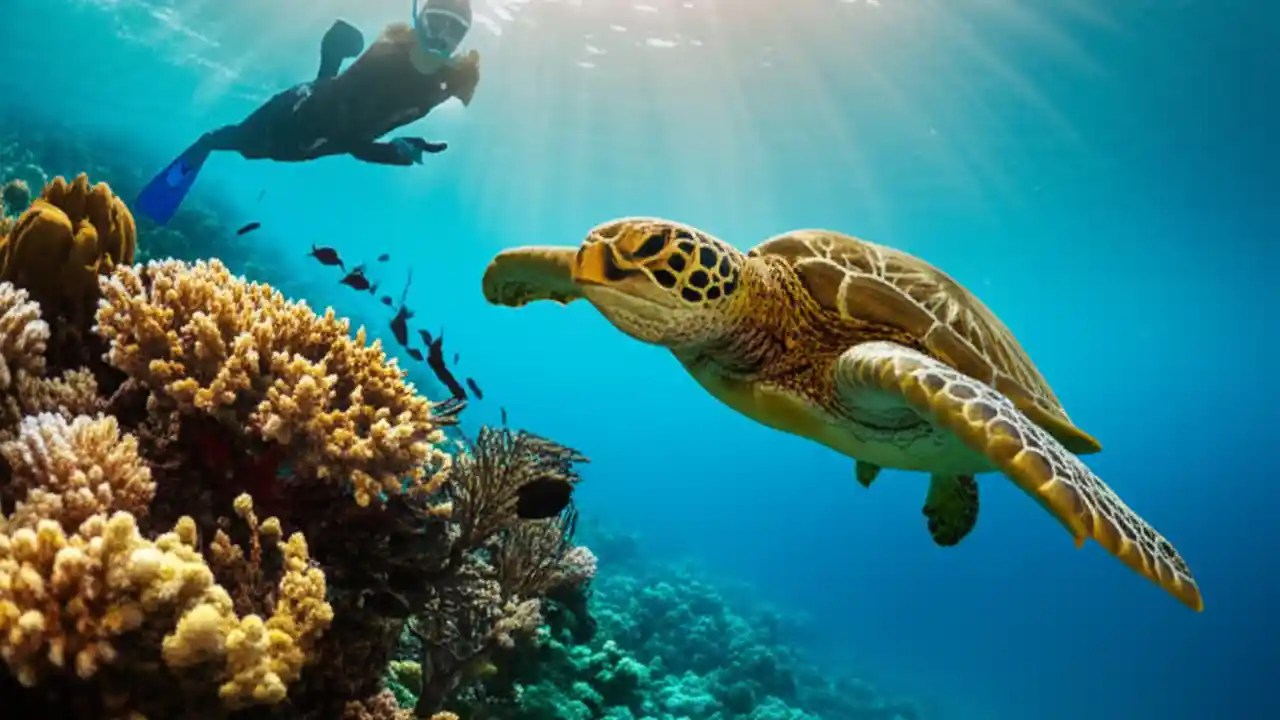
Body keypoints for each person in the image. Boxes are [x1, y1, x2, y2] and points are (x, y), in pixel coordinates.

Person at [136, 0, 481, 224]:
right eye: (437, 23)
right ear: (419, 20)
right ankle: (205, 144)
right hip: (289, 117)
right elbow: (347, 132)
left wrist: (399, 150)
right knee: (241, 143)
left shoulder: (445, 84)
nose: (443, 37)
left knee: (309, 115)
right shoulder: (386, 56)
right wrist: (394, 153)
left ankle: (332, 53)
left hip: (316, 142)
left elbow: (355, 135)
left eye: (455, 30)